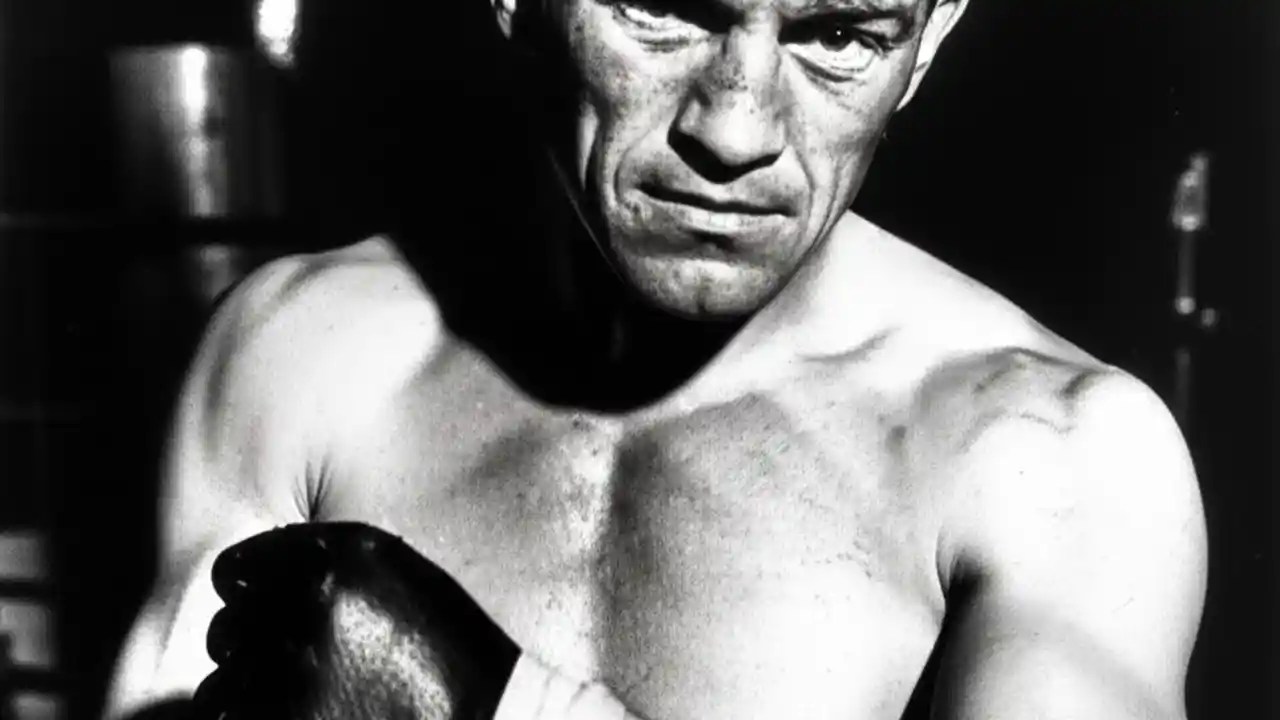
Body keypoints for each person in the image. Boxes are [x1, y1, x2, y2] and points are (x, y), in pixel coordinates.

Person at [104, 0, 1208, 718]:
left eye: (839, 36)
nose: (734, 133)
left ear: (930, 37)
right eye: (666, 12)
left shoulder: (1053, 458)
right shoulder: (296, 356)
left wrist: (516, 712)